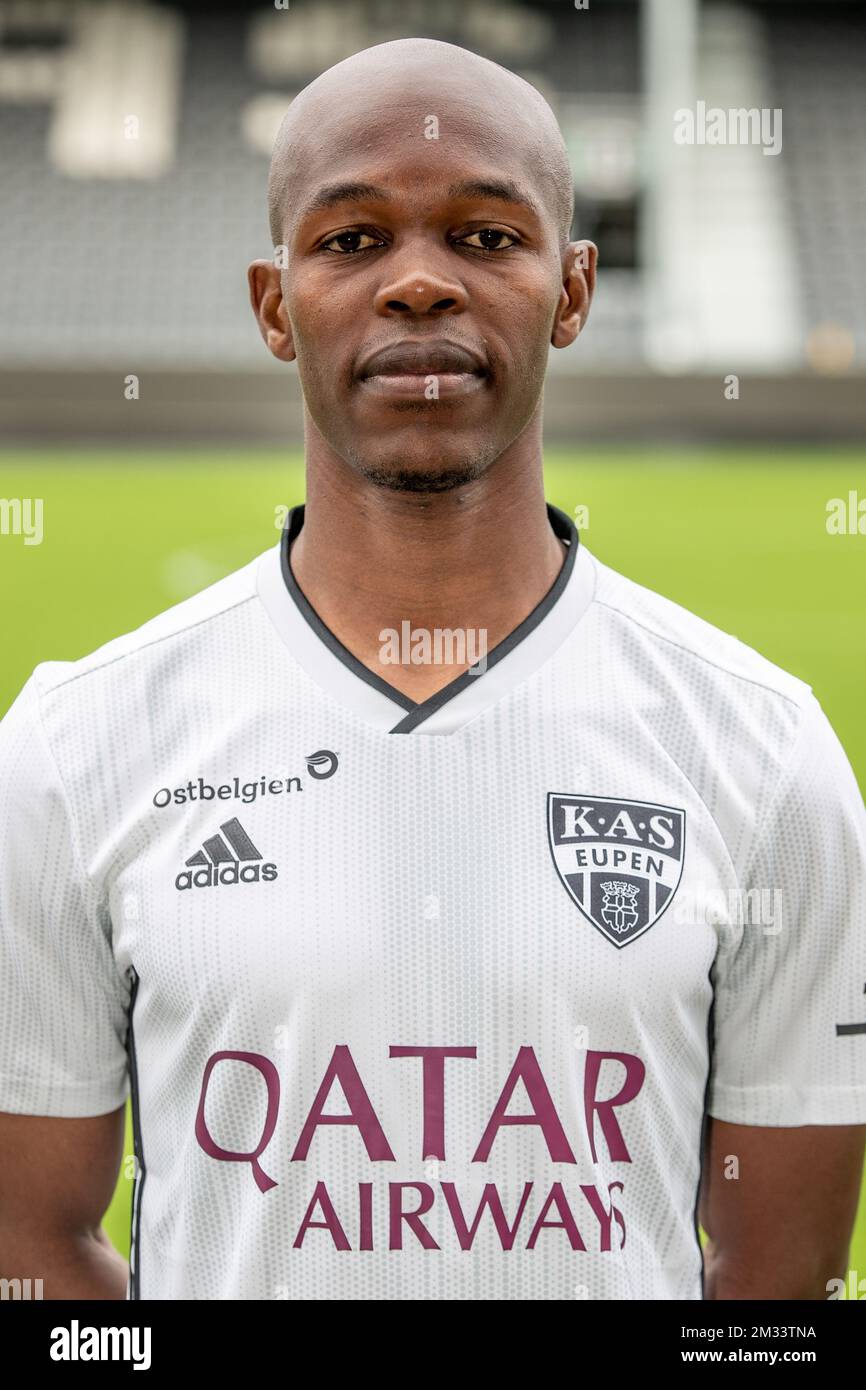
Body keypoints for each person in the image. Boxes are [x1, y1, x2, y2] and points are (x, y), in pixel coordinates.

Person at [1, 38, 864, 1302]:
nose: (418, 285)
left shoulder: (763, 750)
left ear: (571, 292)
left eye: (484, 237)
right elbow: (34, 1262)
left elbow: (778, 1286)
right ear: (272, 302)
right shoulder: (75, 748)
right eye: (351, 241)